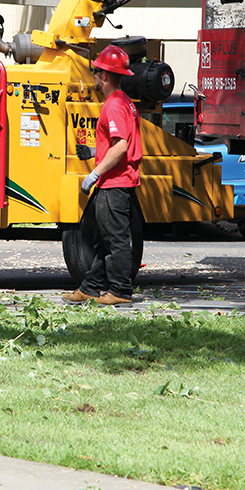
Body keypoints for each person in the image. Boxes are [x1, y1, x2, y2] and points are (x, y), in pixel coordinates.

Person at [65, 44, 143, 307]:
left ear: (106, 76)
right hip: (118, 182)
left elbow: (120, 145)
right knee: (104, 237)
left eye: (97, 71)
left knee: (116, 240)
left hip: (114, 183)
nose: (94, 77)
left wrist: (94, 174)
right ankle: (91, 287)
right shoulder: (125, 103)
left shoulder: (112, 106)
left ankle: (121, 290)